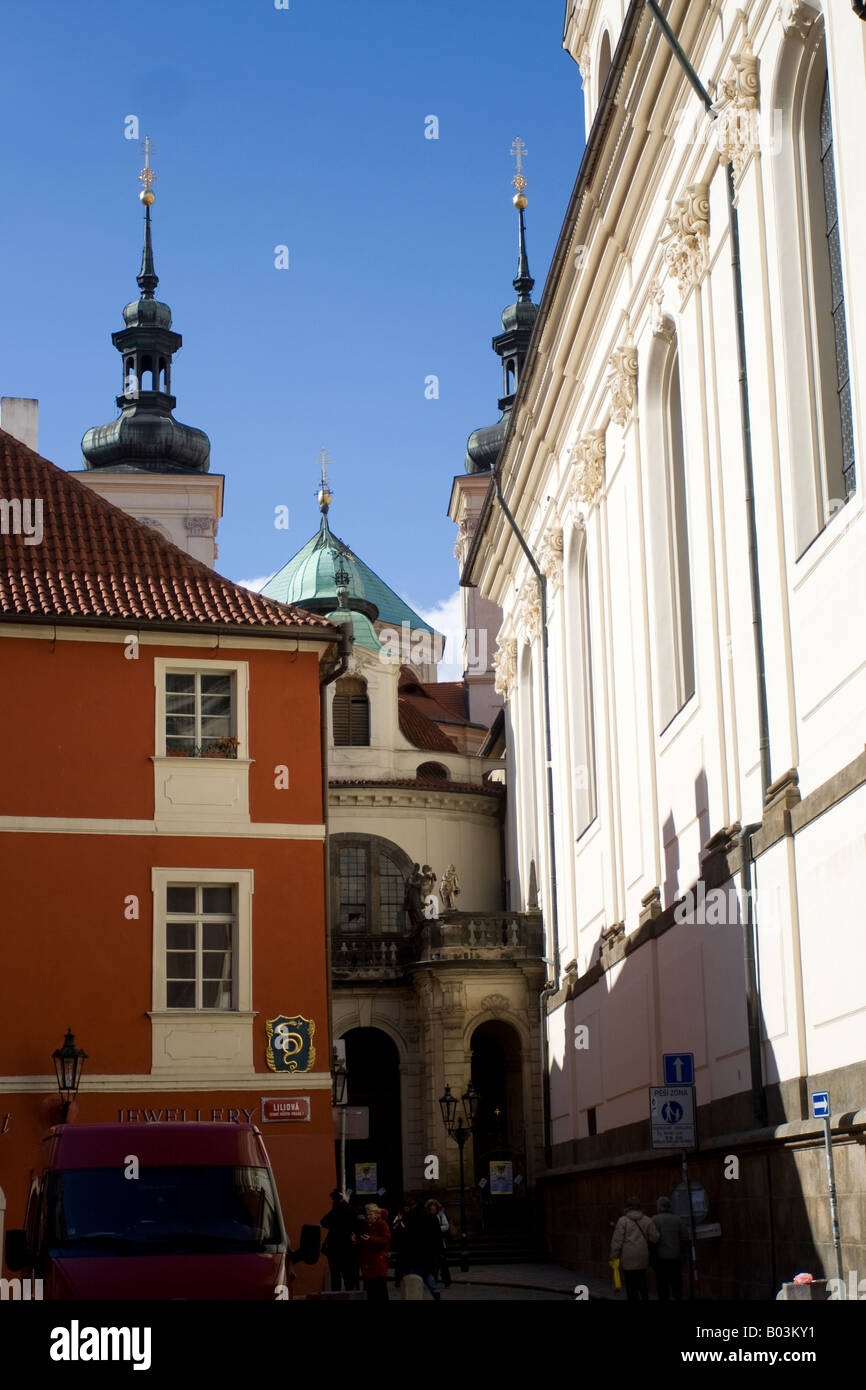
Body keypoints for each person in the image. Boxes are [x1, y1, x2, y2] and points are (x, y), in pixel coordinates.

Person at [609, 1196, 659, 1302]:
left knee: (631, 1286)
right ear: (639, 1206)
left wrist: (614, 1257)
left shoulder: (623, 1221)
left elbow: (617, 1241)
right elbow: (655, 1238)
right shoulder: (647, 1220)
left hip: (628, 1258)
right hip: (642, 1256)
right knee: (643, 1283)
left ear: (627, 1207)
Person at [402, 1197, 444, 1299]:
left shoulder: (410, 1217)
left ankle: (414, 1295)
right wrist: (438, 1250)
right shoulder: (431, 1217)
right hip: (428, 1252)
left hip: (414, 1252)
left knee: (414, 1275)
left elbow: (406, 1236)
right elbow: (438, 1236)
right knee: (427, 1273)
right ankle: (435, 1291)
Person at [320, 1189, 361, 1292]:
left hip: (334, 1249)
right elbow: (357, 1227)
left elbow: (323, 1222)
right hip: (348, 1248)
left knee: (335, 1278)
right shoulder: (350, 1210)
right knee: (348, 1277)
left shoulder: (335, 1211)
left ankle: (336, 1296)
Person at [652, 1195, 690, 1300]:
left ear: (659, 1207)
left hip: (661, 1259)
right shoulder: (678, 1220)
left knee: (662, 1287)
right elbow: (685, 1238)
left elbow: (651, 1239)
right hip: (676, 1258)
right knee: (676, 1286)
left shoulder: (655, 1220)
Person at [356, 1202, 391, 1301]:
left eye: (371, 1214)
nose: (369, 1216)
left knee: (380, 1289)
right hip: (367, 1261)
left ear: (376, 1214)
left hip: (378, 1261)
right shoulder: (365, 1225)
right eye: (367, 1214)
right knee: (369, 1290)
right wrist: (357, 1241)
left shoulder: (382, 1224)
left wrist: (371, 1239)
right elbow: (364, 1240)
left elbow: (386, 1239)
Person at [426, 1198, 452, 1288]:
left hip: (440, 1243)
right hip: (430, 1243)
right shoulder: (427, 1216)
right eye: (431, 1208)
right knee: (432, 1264)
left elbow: (446, 1226)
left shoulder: (441, 1215)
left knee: (443, 1263)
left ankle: (446, 1280)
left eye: (434, 1208)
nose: (433, 1209)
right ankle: (433, 1280)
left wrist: (437, 1229)